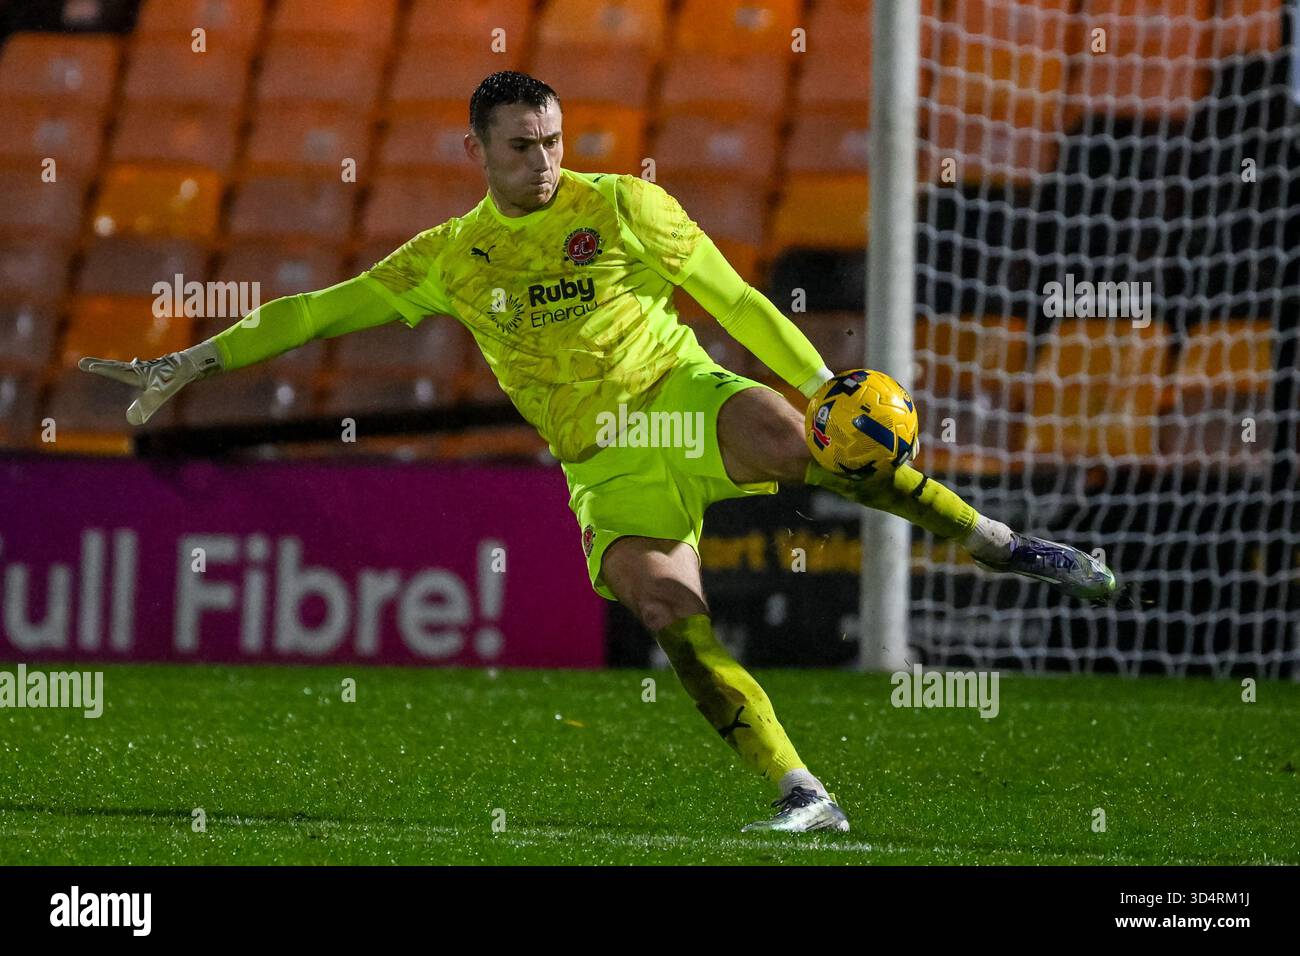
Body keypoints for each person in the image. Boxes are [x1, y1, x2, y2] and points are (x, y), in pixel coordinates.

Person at [80, 72, 1117, 833]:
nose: (545, 159)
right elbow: (316, 311)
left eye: (554, 139)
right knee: (669, 615)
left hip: (682, 395)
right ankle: (802, 790)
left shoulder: (622, 205)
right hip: (603, 464)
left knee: (811, 445)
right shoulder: (450, 255)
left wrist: (819, 384)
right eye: (523, 145)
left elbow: (733, 298)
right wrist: (191, 361)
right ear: (479, 151)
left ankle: (995, 539)